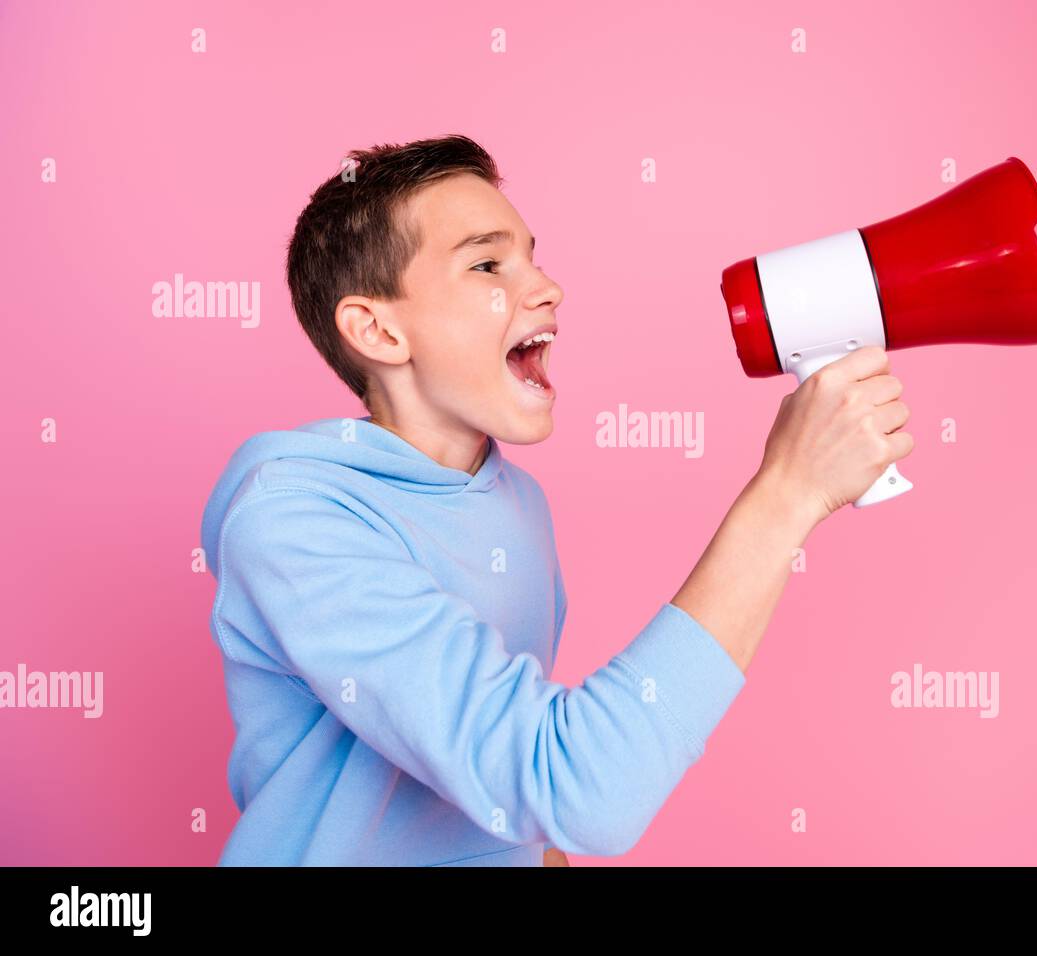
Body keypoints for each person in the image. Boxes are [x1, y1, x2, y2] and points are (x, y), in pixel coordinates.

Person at [199, 135, 912, 866]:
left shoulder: (514, 501)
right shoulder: (293, 522)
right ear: (377, 329)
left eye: (532, 258)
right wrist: (788, 494)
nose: (546, 288)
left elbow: (515, 778)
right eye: (487, 264)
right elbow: (578, 791)